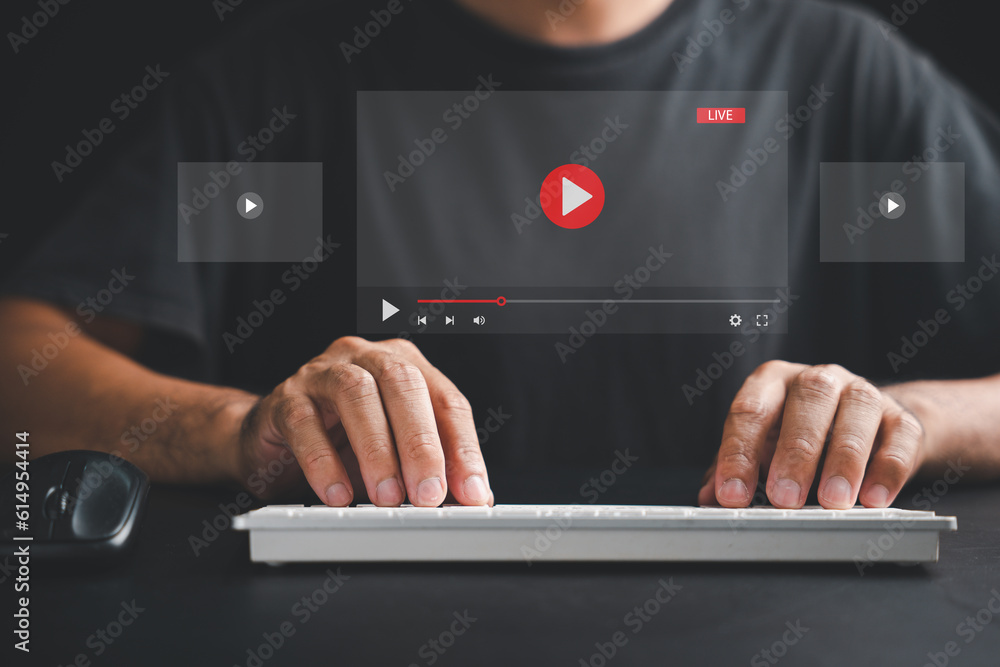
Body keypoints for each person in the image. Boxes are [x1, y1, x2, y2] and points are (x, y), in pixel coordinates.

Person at [2, 0, 999, 512]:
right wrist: (240, 429)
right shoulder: (284, 85)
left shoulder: (844, 79)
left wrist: (915, 419)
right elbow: (24, 361)